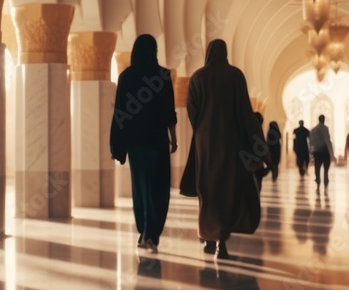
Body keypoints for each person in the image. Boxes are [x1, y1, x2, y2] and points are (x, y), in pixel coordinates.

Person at [179, 40, 261, 260]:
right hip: (231, 143)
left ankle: (208, 236)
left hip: (205, 143)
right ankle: (221, 242)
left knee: (207, 190)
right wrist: (256, 144)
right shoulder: (235, 76)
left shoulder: (198, 77)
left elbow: (192, 112)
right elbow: (245, 112)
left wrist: (204, 129)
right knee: (226, 190)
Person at [110, 34, 177, 253]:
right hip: (157, 141)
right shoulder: (163, 76)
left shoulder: (127, 76)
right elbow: (169, 111)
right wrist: (173, 137)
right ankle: (152, 233)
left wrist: (118, 143)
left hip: (136, 143)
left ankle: (144, 231)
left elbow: (120, 112)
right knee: (158, 187)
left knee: (140, 188)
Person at [310, 115, 335, 190]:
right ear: (323, 120)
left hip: (317, 152)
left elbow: (311, 142)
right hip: (324, 151)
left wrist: (311, 152)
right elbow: (327, 140)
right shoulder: (325, 128)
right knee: (326, 168)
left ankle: (318, 179)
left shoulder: (313, 130)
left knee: (317, 167)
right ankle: (325, 180)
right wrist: (331, 153)